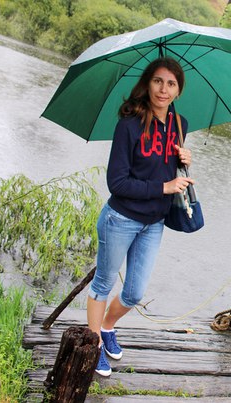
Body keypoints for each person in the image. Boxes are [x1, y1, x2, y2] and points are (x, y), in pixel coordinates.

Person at [87, 57, 194, 376]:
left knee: (134, 292)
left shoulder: (180, 124)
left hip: (154, 223)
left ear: (178, 90)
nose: (163, 89)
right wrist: (164, 187)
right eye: (158, 81)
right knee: (103, 283)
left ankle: (107, 327)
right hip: (120, 219)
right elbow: (117, 183)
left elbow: (165, 168)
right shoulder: (129, 125)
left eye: (171, 83)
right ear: (147, 84)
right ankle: (93, 347)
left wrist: (184, 160)